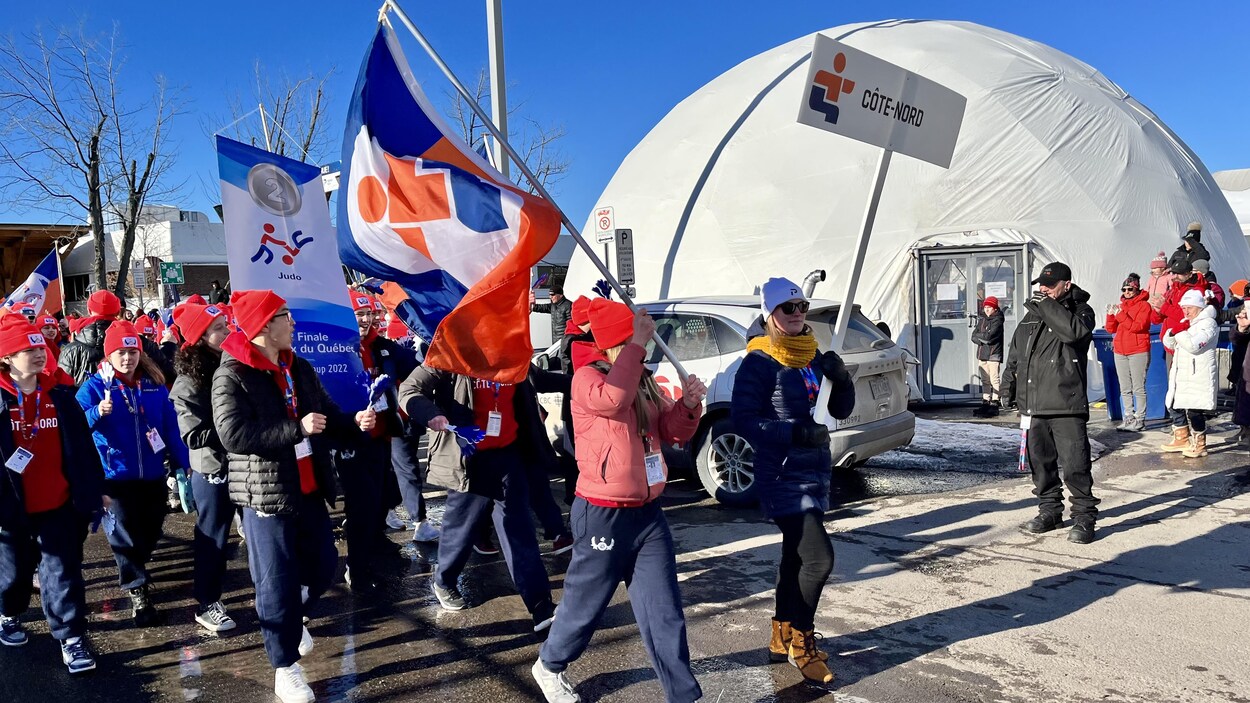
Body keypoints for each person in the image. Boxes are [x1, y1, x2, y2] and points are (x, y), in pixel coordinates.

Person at [533, 300, 708, 703]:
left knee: (664, 611)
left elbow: (670, 429)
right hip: (602, 514)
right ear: (618, 341)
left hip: (648, 515)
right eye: (631, 337)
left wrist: (689, 407)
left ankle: (683, 694)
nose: (641, 343)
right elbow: (612, 401)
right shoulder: (587, 379)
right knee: (584, 606)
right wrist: (638, 346)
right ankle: (550, 664)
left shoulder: (640, 378)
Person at [212, 290, 375, 703]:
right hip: (265, 494)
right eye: (285, 316)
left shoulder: (297, 366)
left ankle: (290, 619)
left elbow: (326, 414)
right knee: (276, 583)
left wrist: (354, 422)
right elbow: (233, 435)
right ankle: (284, 667)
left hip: (308, 488)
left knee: (323, 567)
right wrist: (296, 429)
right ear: (264, 326)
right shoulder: (231, 373)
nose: (294, 323)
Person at [729, 278, 855, 686]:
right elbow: (744, 421)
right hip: (781, 473)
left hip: (815, 469)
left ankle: (781, 631)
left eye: (801, 305)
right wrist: (795, 434)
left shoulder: (813, 354)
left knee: (795, 558)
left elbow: (839, 408)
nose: (798, 313)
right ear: (770, 316)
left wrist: (843, 378)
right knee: (819, 559)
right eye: (788, 308)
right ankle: (803, 644)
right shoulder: (759, 361)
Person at [398, 329, 565, 632]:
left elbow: (541, 379)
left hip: (509, 455)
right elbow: (409, 391)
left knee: (519, 530)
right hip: (470, 458)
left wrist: (587, 380)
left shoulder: (513, 353)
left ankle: (540, 604)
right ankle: (444, 580)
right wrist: (432, 414)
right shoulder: (451, 353)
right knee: (461, 529)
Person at [0, 317, 103, 673]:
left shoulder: (60, 396)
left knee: (62, 572)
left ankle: (71, 638)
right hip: (10, 508)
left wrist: (94, 492)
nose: (39, 355)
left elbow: (84, 450)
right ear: (7, 357)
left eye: (40, 348)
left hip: (57, 503)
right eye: (28, 350)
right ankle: (9, 614)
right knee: (13, 574)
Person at [75, 320, 190, 625]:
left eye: (132, 351)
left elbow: (169, 425)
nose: (127, 358)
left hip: (151, 473)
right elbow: (75, 428)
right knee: (123, 535)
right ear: (109, 354)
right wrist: (97, 413)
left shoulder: (152, 382)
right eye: (120, 352)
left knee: (152, 529)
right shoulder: (95, 386)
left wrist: (183, 461)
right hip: (114, 476)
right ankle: (138, 591)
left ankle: (137, 563)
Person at [1000, 262, 1099, 544]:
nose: (1043, 290)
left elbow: (1074, 334)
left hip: (1066, 404)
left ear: (1066, 284)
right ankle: (1049, 511)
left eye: (1050, 285)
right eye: (1041, 285)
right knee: (1040, 464)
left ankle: (1083, 516)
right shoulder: (1031, 317)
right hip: (1034, 405)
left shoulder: (1080, 311)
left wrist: (1047, 307)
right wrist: (1008, 387)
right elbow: (1016, 355)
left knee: (1075, 464)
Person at [169, 302, 239, 633]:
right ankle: (207, 602)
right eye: (219, 328)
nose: (227, 331)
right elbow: (193, 435)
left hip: (245, 462)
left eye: (227, 324)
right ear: (200, 338)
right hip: (214, 469)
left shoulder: (235, 362)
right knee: (213, 536)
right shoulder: (187, 382)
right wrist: (235, 426)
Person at [59, 290, 174, 386]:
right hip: (136, 407)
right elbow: (167, 373)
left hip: (86, 410)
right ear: (118, 311)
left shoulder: (70, 349)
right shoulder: (138, 342)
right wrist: (169, 347)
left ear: (89, 311)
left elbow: (62, 386)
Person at [1160, 290, 1219, 458]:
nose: (1185, 312)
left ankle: (1200, 443)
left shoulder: (1209, 324)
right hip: (1181, 371)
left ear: (1199, 307)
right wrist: (1173, 332)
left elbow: (1194, 345)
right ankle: (1181, 438)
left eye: (1189, 308)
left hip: (1198, 373)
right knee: (1173, 404)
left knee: (1195, 410)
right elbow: (1169, 342)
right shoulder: (1186, 321)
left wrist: (1178, 332)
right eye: (1183, 308)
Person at [1105, 274, 1153, 432]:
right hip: (1120, 350)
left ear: (1136, 288)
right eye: (1124, 289)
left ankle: (1140, 419)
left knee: (1138, 387)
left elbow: (1137, 327)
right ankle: (1129, 417)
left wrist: (1119, 315)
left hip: (1138, 350)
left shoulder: (1144, 306)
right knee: (1124, 387)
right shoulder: (1122, 306)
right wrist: (1110, 315)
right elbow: (1110, 329)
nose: (1127, 292)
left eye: (1130, 289)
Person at [1153, 258, 1207, 368]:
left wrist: (1163, 307)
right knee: (1172, 382)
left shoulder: (1196, 291)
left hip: (1186, 341)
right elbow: (1155, 320)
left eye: (1180, 273)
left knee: (1185, 381)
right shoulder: (1173, 289)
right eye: (1174, 273)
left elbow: (1188, 316)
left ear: (1189, 274)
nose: (1176, 276)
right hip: (1170, 342)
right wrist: (1157, 310)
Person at [970, 295, 1004, 418]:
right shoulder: (982, 320)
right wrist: (983, 337)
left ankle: (995, 403)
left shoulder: (998, 320)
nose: (987, 310)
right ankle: (985, 401)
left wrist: (982, 337)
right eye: (985, 307)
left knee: (994, 379)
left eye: (989, 307)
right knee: (985, 380)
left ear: (995, 308)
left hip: (994, 353)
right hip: (982, 353)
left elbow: (990, 337)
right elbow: (973, 336)